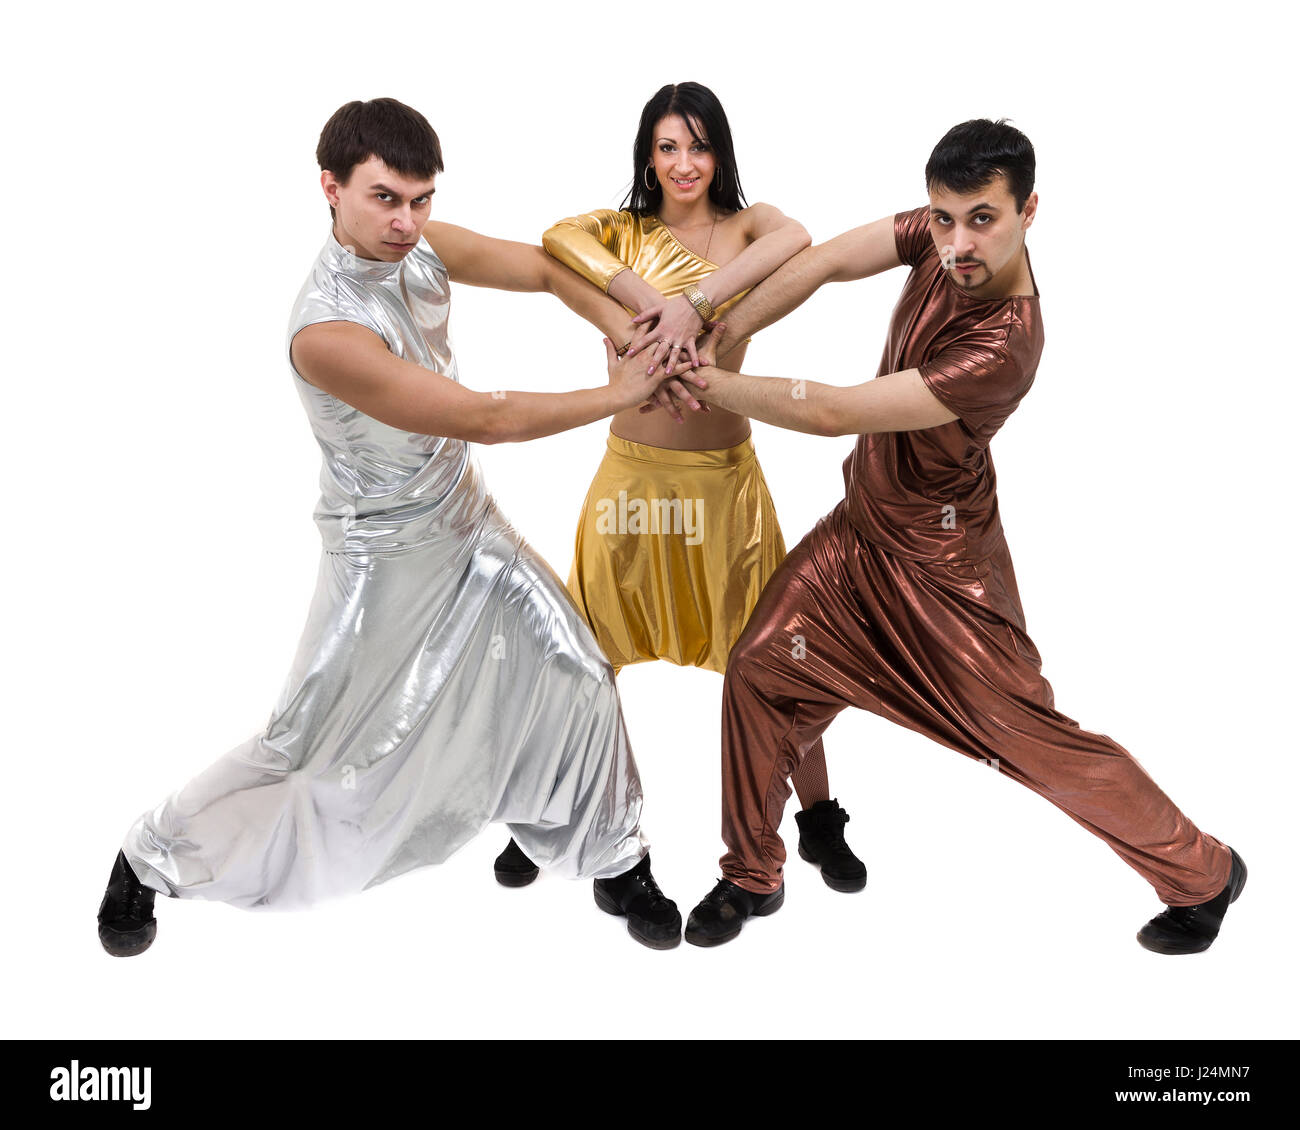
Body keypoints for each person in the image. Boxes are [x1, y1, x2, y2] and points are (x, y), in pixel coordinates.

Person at [95, 97, 695, 957]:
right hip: (380, 560)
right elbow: (481, 416)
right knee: (304, 748)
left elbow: (539, 266)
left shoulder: (421, 246)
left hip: (465, 522)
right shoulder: (325, 332)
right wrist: (627, 393)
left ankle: (612, 857)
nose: (407, 222)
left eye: (422, 199)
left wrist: (632, 312)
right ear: (330, 189)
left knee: (580, 669)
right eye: (384, 198)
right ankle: (147, 855)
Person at [668, 119, 1245, 953]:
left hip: (944, 577)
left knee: (1033, 744)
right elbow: (822, 260)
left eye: (983, 218)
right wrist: (715, 325)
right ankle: (752, 874)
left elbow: (830, 411)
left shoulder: (1005, 344)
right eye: (944, 217)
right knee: (759, 669)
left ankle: (1206, 871)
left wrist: (706, 378)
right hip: (858, 536)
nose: (957, 240)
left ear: (1028, 211)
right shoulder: (936, 239)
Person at [490, 81, 868, 896]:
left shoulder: (746, 225)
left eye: (699, 146)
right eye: (667, 147)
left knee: (775, 656)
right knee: (585, 653)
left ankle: (818, 820)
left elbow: (800, 236)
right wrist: (643, 305)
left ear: (721, 152)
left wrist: (694, 307)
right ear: (647, 155)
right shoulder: (620, 232)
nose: (684, 163)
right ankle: (547, 811)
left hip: (724, 485)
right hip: (632, 476)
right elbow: (556, 238)